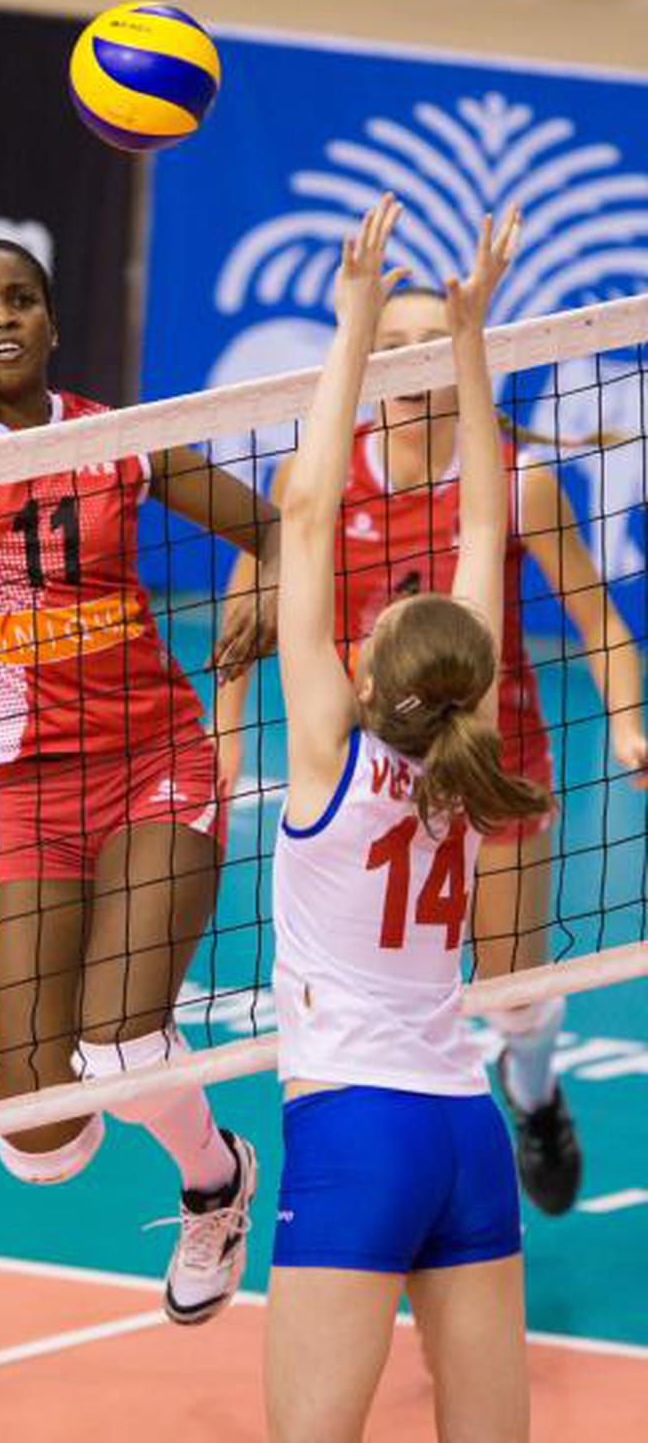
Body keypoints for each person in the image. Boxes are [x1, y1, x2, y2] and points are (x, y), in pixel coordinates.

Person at [0, 72, 279, 1325]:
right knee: (38, 1126)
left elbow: (278, 524)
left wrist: (256, 578)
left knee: (121, 1042)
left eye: (19, 298)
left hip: (157, 759)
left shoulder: (119, 437)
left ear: (48, 316)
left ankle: (212, 1189)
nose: (0, 317)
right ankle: (208, 1153)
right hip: (31, 790)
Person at [216, 259, 648, 1221]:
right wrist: (227, 731)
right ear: (365, 362)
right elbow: (251, 605)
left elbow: (599, 623)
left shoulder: (518, 486)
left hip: (489, 757)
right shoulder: (316, 479)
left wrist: (627, 721)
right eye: (392, 344)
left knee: (512, 986)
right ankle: (414, 1157)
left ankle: (532, 1096)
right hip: (356, 766)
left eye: (429, 344)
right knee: (384, 987)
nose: (412, 362)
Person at [264, 196, 539, 1442]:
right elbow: (488, 521)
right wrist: (471, 338)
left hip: (353, 1130)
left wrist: (355, 326)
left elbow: (306, 511)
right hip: (461, 1130)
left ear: (367, 679)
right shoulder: (470, 765)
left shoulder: (326, 753)